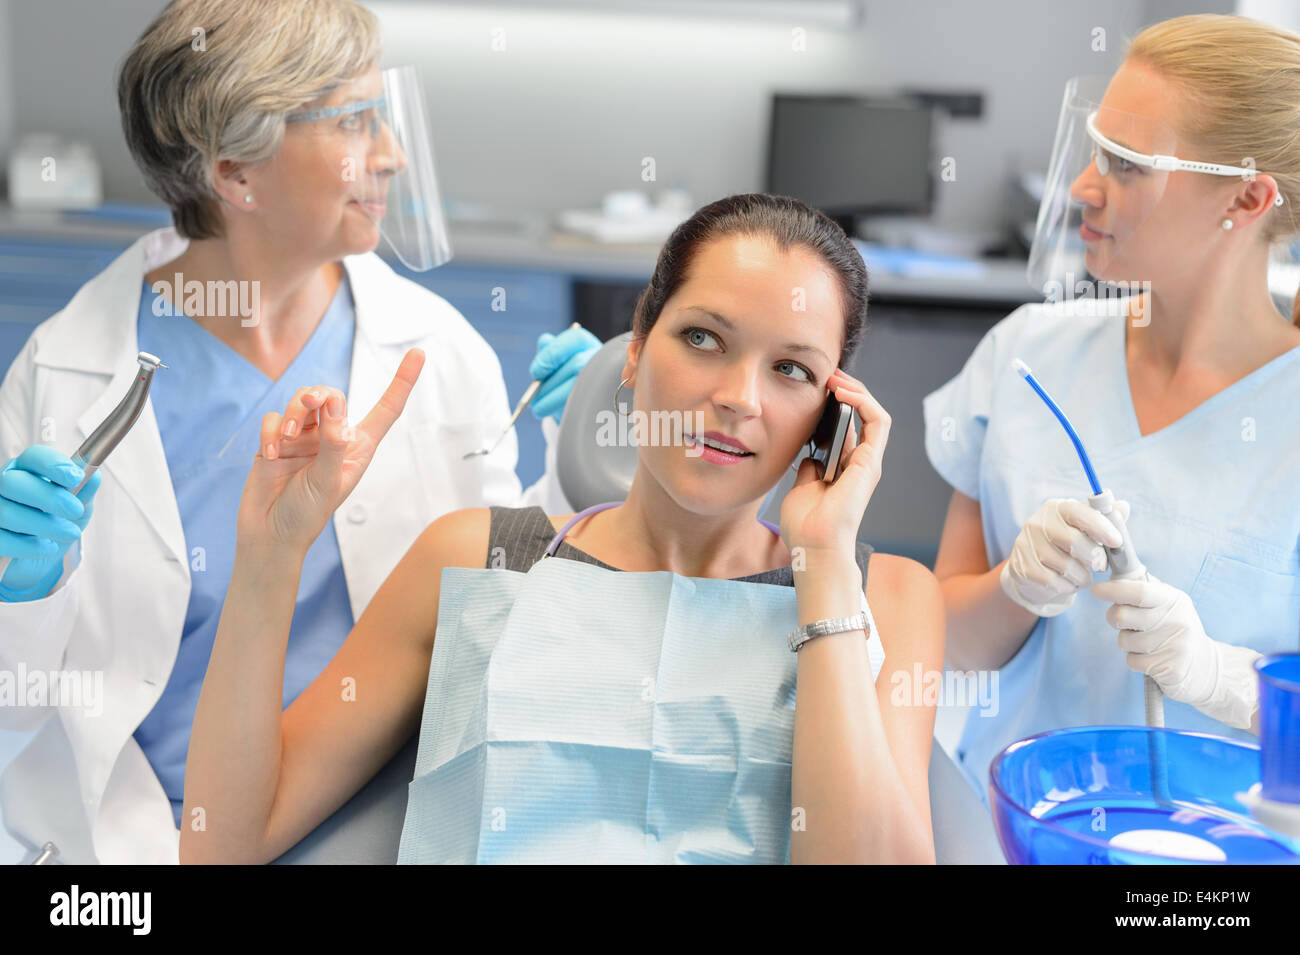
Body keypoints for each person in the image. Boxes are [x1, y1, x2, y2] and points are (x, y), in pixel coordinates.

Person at [0, 0, 599, 864]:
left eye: (384, 114)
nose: (390, 152)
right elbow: (15, 713)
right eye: (355, 121)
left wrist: (585, 475)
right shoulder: (64, 372)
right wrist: (20, 592)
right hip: (133, 833)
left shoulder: (437, 350)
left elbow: (496, 610)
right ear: (236, 171)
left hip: (376, 815)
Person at [182, 193, 944, 864]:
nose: (738, 397)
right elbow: (224, 842)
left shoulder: (886, 599)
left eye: (792, 370)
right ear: (637, 347)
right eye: (705, 337)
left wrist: (824, 565)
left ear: (833, 418)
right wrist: (270, 554)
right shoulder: (473, 558)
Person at [925, 14, 1300, 799]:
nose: (1082, 188)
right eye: (1097, 149)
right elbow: (946, 647)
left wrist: (1220, 676)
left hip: (1216, 863)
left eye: (1127, 165)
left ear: (1248, 195)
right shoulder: (1029, 355)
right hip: (1018, 828)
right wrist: (1015, 589)